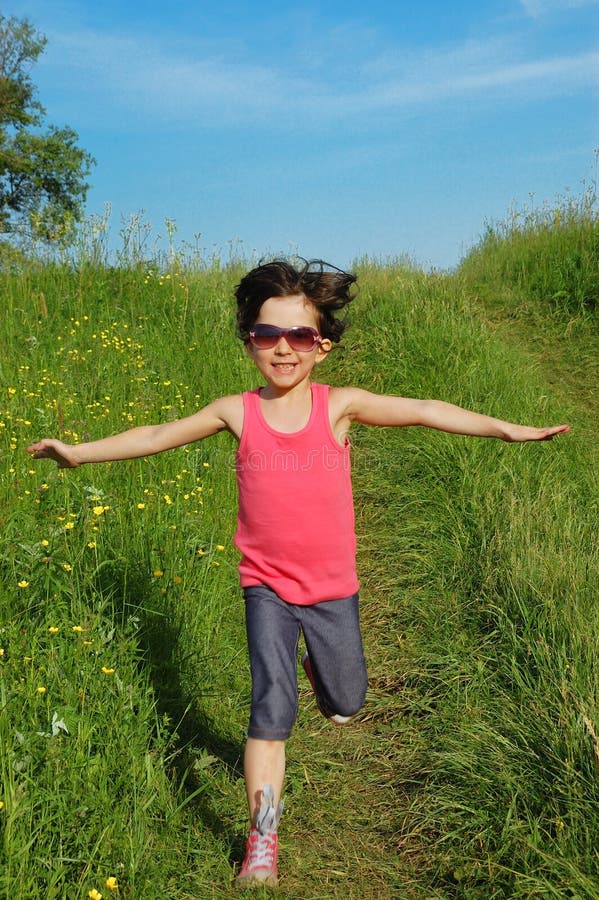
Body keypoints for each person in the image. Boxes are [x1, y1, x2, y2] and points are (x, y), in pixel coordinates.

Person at [27, 259, 570, 888]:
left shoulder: (339, 407)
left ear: (323, 346)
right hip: (265, 585)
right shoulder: (235, 412)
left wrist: (505, 430)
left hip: (332, 589)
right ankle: (262, 839)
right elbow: (155, 433)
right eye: (266, 334)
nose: (282, 348)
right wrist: (78, 451)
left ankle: (322, 672)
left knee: (346, 703)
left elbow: (424, 408)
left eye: (299, 337)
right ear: (248, 338)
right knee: (269, 710)